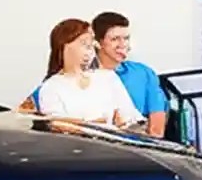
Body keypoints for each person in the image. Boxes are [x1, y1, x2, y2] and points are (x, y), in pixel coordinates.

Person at [19, 12, 168, 136]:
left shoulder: (131, 74)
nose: (123, 45)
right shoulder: (51, 86)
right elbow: (45, 120)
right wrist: (96, 124)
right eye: (115, 39)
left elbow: (145, 126)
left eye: (126, 39)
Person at [35, 18, 143, 127]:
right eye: (84, 44)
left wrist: (124, 124)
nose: (90, 51)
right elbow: (56, 124)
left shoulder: (108, 77)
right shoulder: (50, 87)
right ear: (65, 46)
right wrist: (96, 123)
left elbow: (132, 120)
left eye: (91, 45)